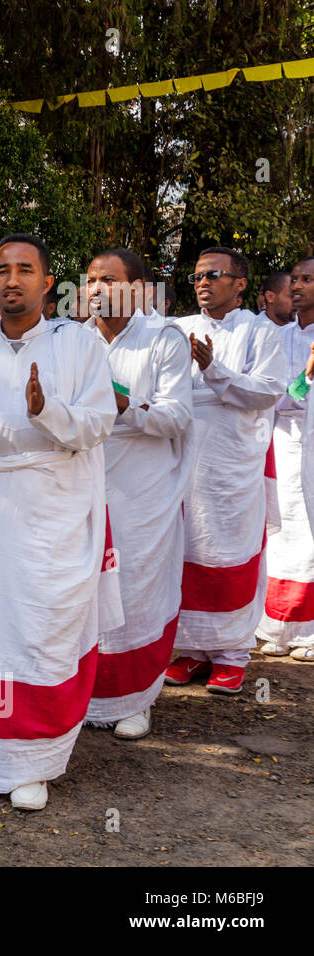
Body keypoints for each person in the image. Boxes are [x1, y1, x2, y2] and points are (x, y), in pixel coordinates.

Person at [0, 234, 116, 811]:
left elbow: (99, 423)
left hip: (53, 508)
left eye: (25, 269)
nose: (12, 279)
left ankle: (34, 761)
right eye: (1, 270)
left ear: (46, 281)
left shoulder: (80, 346)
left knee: (42, 628)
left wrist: (46, 410)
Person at [80, 249, 194, 738]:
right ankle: (84, 693)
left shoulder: (164, 340)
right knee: (85, 589)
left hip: (141, 488)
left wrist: (125, 407)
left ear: (140, 289)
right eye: (90, 280)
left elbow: (176, 417)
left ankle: (136, 697)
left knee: (137, 587)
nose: (97, 289)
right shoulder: (74, 340)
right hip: (81, 483)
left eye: (109, 279)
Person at [167, 248, 285, 692]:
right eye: (197, 275)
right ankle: (193, 650)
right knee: (188, 548)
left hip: (233, 459)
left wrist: (214, 370)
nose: (202, 282)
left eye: (214, 275)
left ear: (239, 284)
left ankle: (233, 653)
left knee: (228, 550)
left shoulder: (260, 332)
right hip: (186, 455)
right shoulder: (179, 329)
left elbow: (269, 390)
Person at [258, 256, 314, 661]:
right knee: (284, 534)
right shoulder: (280, 337)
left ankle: (308, 631)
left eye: (308, 280)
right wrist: (307, 376)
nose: (297, 286)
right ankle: (278, 626)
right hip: (283, 447)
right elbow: (277, 398)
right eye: (294, 279)